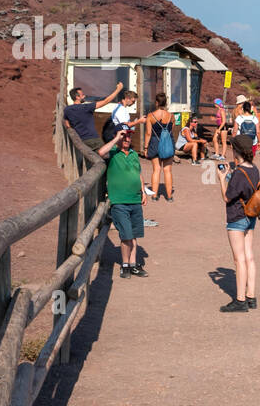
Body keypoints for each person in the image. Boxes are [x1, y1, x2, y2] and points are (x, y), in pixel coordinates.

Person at [98, 124, 148, 278]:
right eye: (124, 135)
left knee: (134, 235)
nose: (127, 138)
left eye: (129, 135)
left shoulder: (133, 154)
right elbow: (100, 152)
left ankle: (133, 265)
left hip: (135, 200)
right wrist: (116, 139)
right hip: (119, 201)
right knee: (126, 234)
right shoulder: (112, 153)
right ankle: (125, 265)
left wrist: (143, 190)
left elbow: (137, 172)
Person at [219, 135, 260, 312]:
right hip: (251, 215)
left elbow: (227, 197)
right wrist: (231, 174)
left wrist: (222, 178)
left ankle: (240, 300)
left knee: (239, 259)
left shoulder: (238, 173)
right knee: (249, 256)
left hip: (237, 217)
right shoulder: (254, 169)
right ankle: (251, 296)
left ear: (237, 151)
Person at [64, 81, 123, 149]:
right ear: (77, 97)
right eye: (82, 95)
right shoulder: (86, 107)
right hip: (93, 139)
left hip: (80, 140)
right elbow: (106, 101)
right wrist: (118, 89)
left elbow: (68, 125)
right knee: (106, 155)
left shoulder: (67, 110)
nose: (84, 96)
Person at [143, 92, 176, 201]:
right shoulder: (171, 116)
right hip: (168, 143)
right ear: (165, 103)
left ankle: (154, 195)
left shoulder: (150, 116)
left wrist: (146, 148)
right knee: (168, 170)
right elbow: (172, 130)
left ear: (156, 103)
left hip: (155, 143)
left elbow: (148, 133)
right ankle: (169, 196)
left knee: (156, 169)